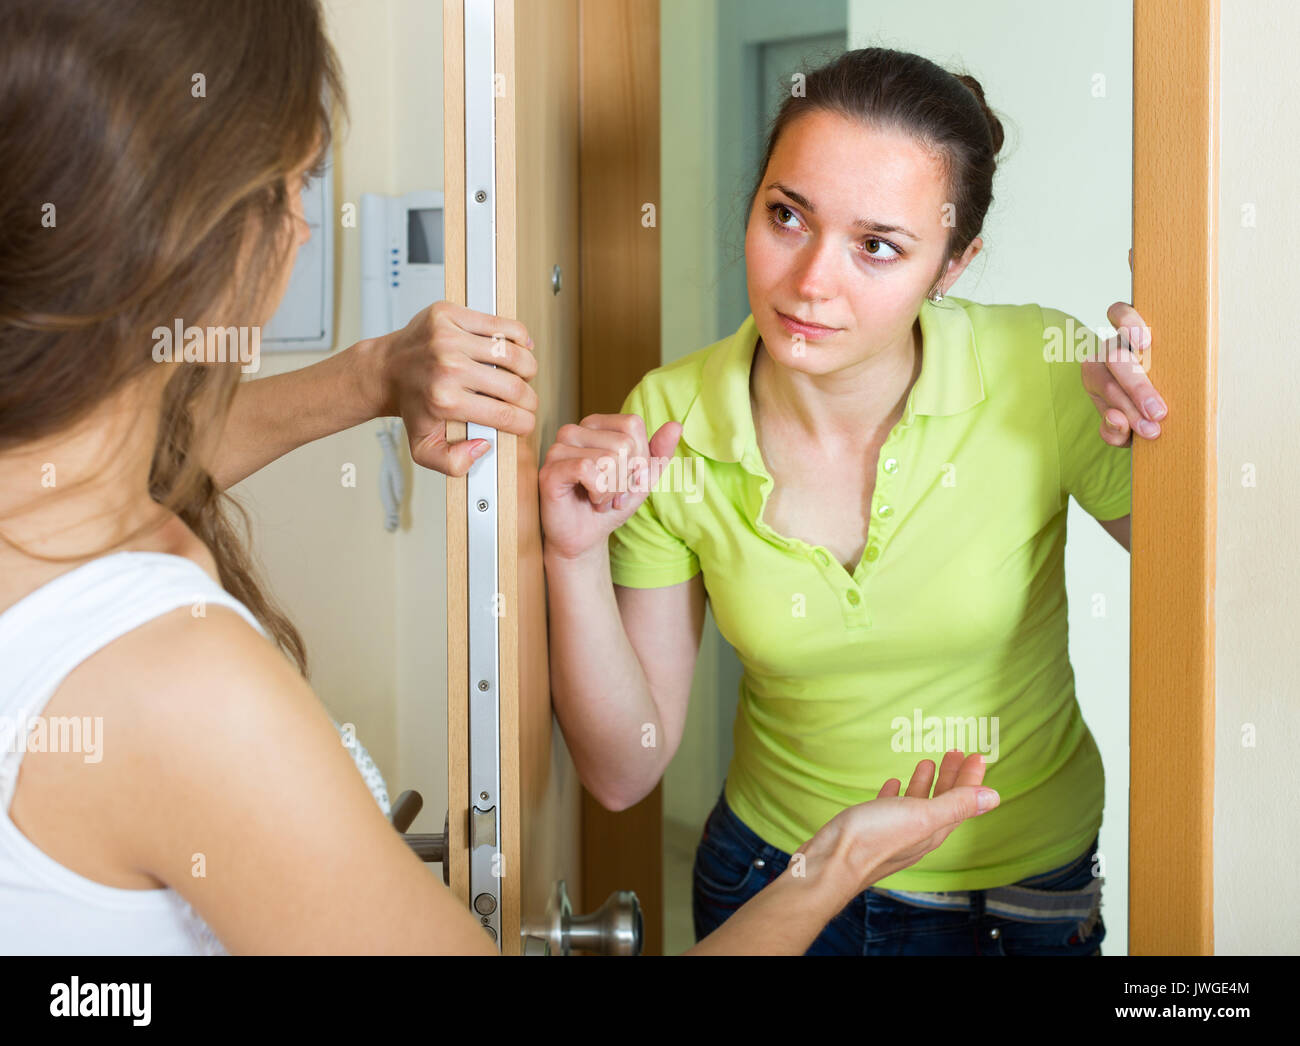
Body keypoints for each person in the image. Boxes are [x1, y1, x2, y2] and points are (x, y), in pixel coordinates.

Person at [0, 0, 1003, 957]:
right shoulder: (184, 688)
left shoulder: (65, 512)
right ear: (199, 230)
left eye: (878, 244)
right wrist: (835, 862)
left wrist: (371, 374)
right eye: (296, 184)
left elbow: (134, 467)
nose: (305, 228)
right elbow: (627, 766)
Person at [539, 47, 1168, 956]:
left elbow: (1220, 586)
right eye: (787, 215)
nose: (810, 283)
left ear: (952, 266)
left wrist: (1190, 412)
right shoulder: (670, 418)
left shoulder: (1043, 369)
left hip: (1020, 892)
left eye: (878, 245)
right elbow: (624, 770)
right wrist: (571, 556)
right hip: (778, 884)